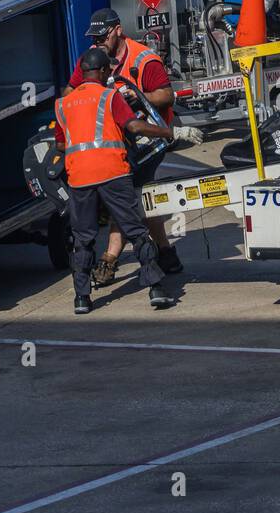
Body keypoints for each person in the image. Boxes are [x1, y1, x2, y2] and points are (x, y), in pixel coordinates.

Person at [55, 47, 193, 314]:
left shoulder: (62, 104)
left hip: (79, 178)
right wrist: (170, 132)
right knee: (136, 231)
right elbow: (134, 126)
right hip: (112, 173)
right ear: (105, 71)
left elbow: (62, 144)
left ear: (82, 73)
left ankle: (82, 298)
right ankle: (156, 289)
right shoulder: (110, 97)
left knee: (83, 238)